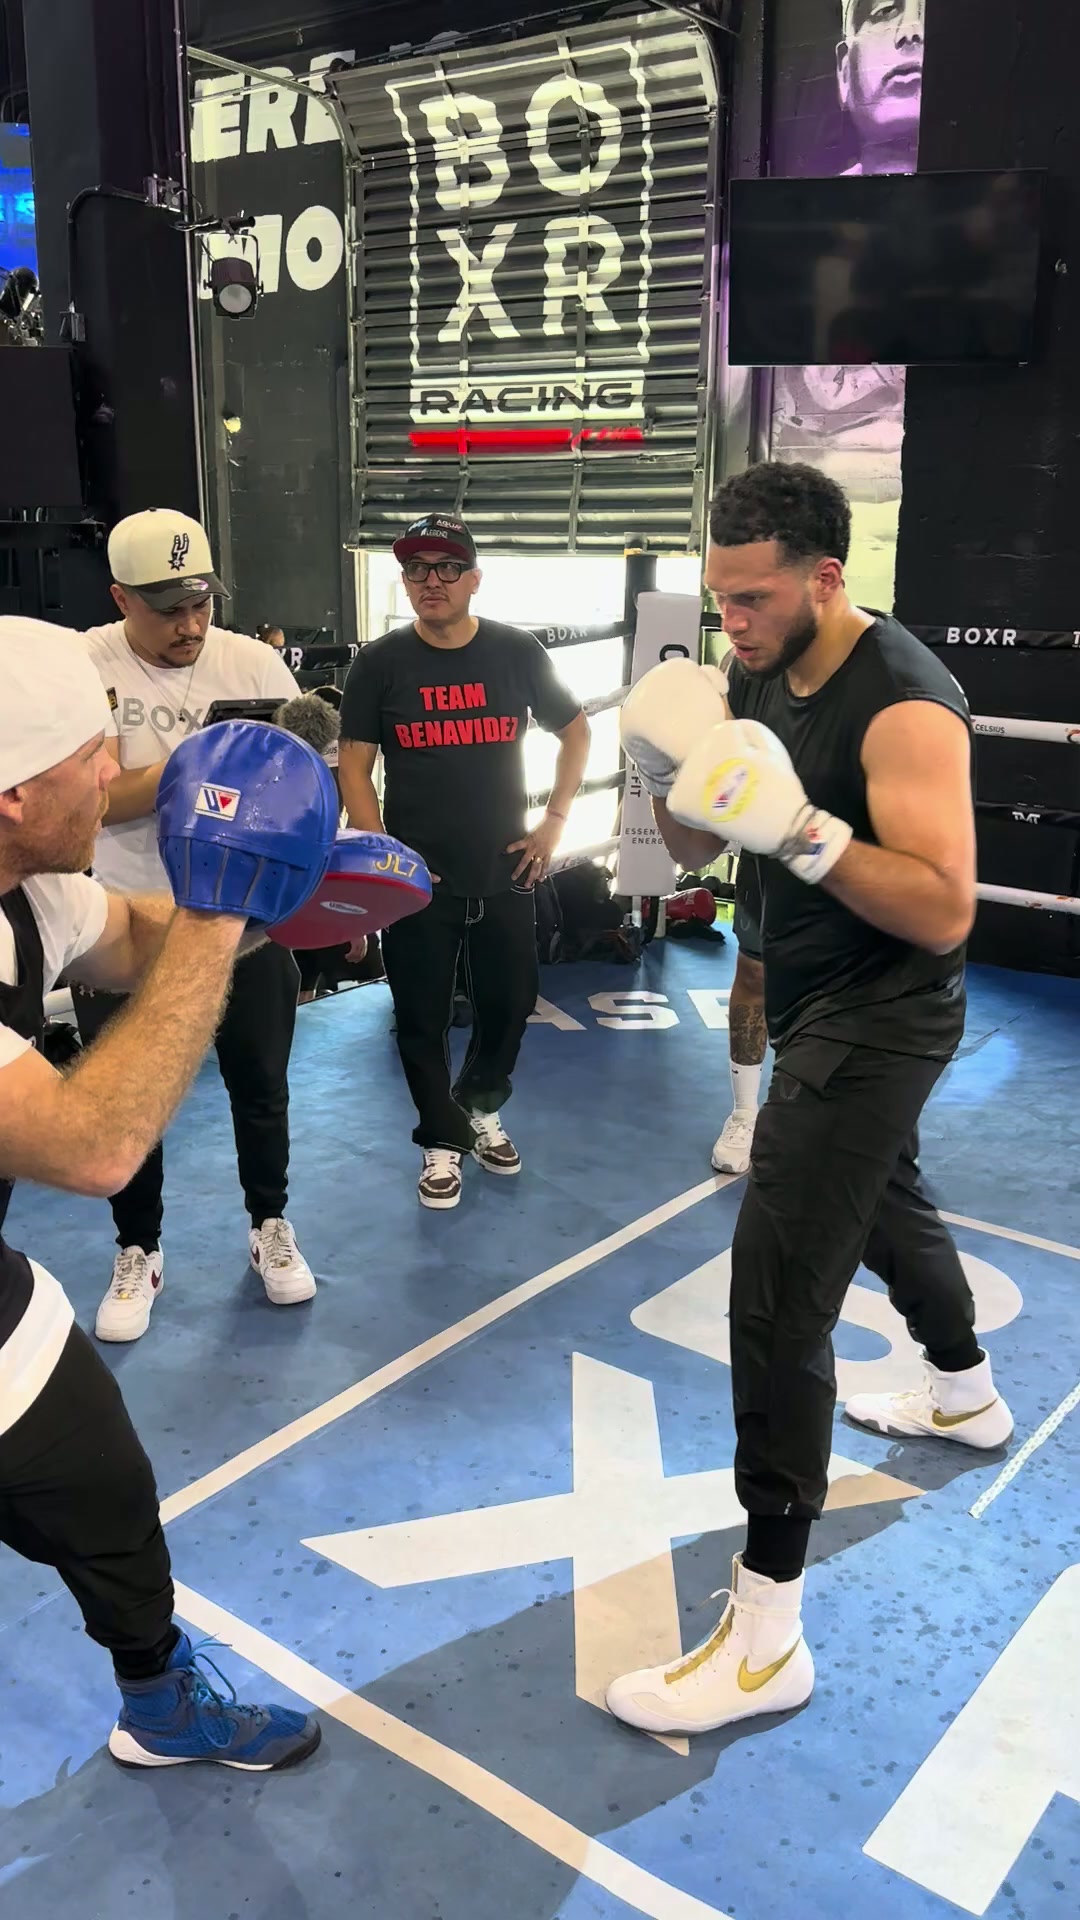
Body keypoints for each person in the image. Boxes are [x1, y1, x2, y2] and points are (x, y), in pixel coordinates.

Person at [608, 461, 1013, 1737]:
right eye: (718, 599)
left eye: (753, 599)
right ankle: (964, 1389)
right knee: (886, 1201)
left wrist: (812, 834)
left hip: (886, 1018)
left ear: (825, 578)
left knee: (778, 1297)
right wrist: (662, 767)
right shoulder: (747, 670)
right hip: (808, 1003)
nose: (730, 622)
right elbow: (696, 843)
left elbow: (948, 908)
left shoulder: (904, 704)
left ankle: (768, 1624)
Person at [0, 616, 321, 1768]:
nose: (115, 775)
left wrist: (282, 904)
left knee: (103, 1487)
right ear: (11, 795)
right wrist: (231, 907)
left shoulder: (27, 890)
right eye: (89, 756)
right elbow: (94, 1148)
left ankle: (160, 1699)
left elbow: (139, 938)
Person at [76, 509, 315, 1341]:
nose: (189, 625)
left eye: (201, 603)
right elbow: (97, 800)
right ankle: (138, 1248)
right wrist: (208, 761)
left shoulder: (253, 661)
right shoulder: (84, 664)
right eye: (166, 608)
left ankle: (269, 1226)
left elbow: (297, 794)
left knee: (261, 1087)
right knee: (128, 1102)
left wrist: (328, 893)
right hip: (124, 928)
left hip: (242, 923)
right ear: (119, 598)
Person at [339, 513, 591, 1209]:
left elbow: (575, 731)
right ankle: (440, 1142)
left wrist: (556, 822)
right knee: (419, 1017)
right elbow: (354, 764)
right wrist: (381, 851)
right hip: (418, 881)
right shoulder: (380, 663)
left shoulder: (516, 652)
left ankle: (479, 1104)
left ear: (474, 579)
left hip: (509, 866)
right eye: (417, 569)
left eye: (448, 567)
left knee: (509, 1006)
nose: (432, 581)